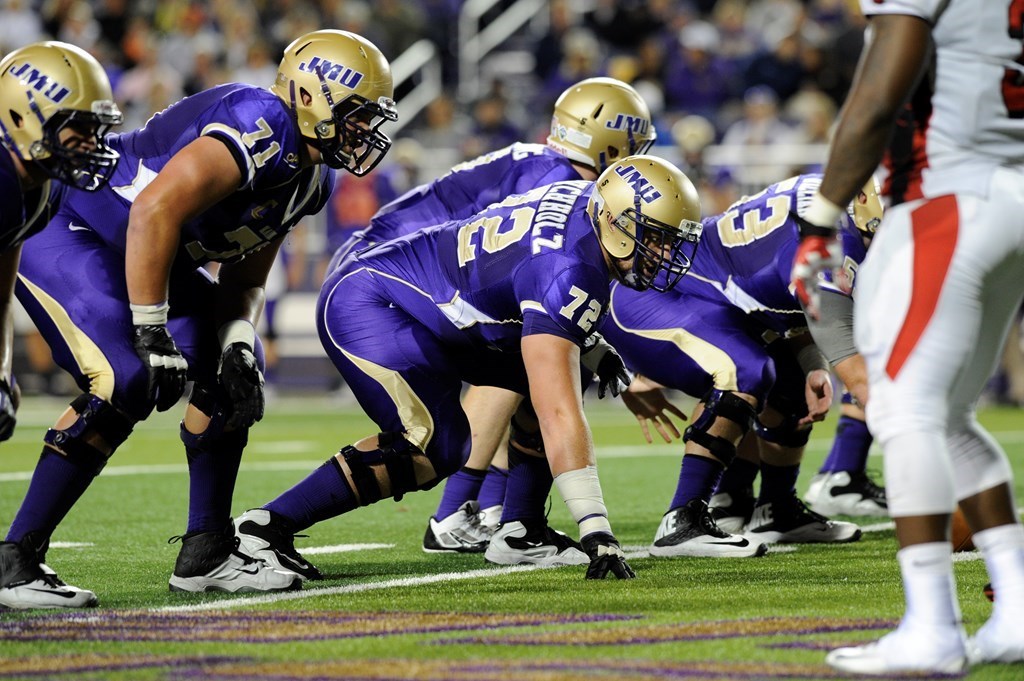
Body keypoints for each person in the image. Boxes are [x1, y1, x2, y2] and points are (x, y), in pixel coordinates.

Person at [0, 29, 399, 609]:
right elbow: (155, 209)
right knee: (125, 376)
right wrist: (151, 327)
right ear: (312, 96)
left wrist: (238, 338)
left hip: (137, 247)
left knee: (236, 370)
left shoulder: (310, 178)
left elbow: (245, 279)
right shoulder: (260, 122)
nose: (367, 132)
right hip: (81, 228)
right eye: (358, 115)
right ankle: (17, 559)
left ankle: (207, 551)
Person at [235, 155, 704, 581]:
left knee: (565, 368)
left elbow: (517, 279)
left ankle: (522, 531)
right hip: (378, 305)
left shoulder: (585, 203)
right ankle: (266, 527)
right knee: (434, 446)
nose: (663, 256)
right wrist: (596, 529)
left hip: (435, 308)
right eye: (656, 239)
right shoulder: (570, 269)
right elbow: (559, 411)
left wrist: (589, 341)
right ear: (614, 220)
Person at [320, 76, 656, 558]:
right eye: (633, 142)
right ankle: (455, 513)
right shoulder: (560, 182)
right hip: (388, 271)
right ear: (607, 143)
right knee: (521, 352)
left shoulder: (548, 167)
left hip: (393, 260)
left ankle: (500, 513)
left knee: (527, 354)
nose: (637, 154)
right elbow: (541, 289)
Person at [790, 1, 1024, 673]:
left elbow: (879, 89)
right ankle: (1015, 609)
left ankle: (933, 625)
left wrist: (820, 220)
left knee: (904, 407)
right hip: (1008, 193)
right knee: (948, 416)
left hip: (948, 194)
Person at [603, 173, 873, 558]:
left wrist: (814, 364)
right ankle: (684, 519)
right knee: (745, 368)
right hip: (658, 293)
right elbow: (858, 373)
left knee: (792, 378)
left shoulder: (832, 196)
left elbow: (778, 299)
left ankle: (773, 509)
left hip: (707, 296)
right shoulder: (832, 244)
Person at [0, 40, 123, 608]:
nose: (92, 144)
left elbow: (3, 276)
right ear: (24, 115)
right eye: (78, 128)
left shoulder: (38, 186)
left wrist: (0, 368)